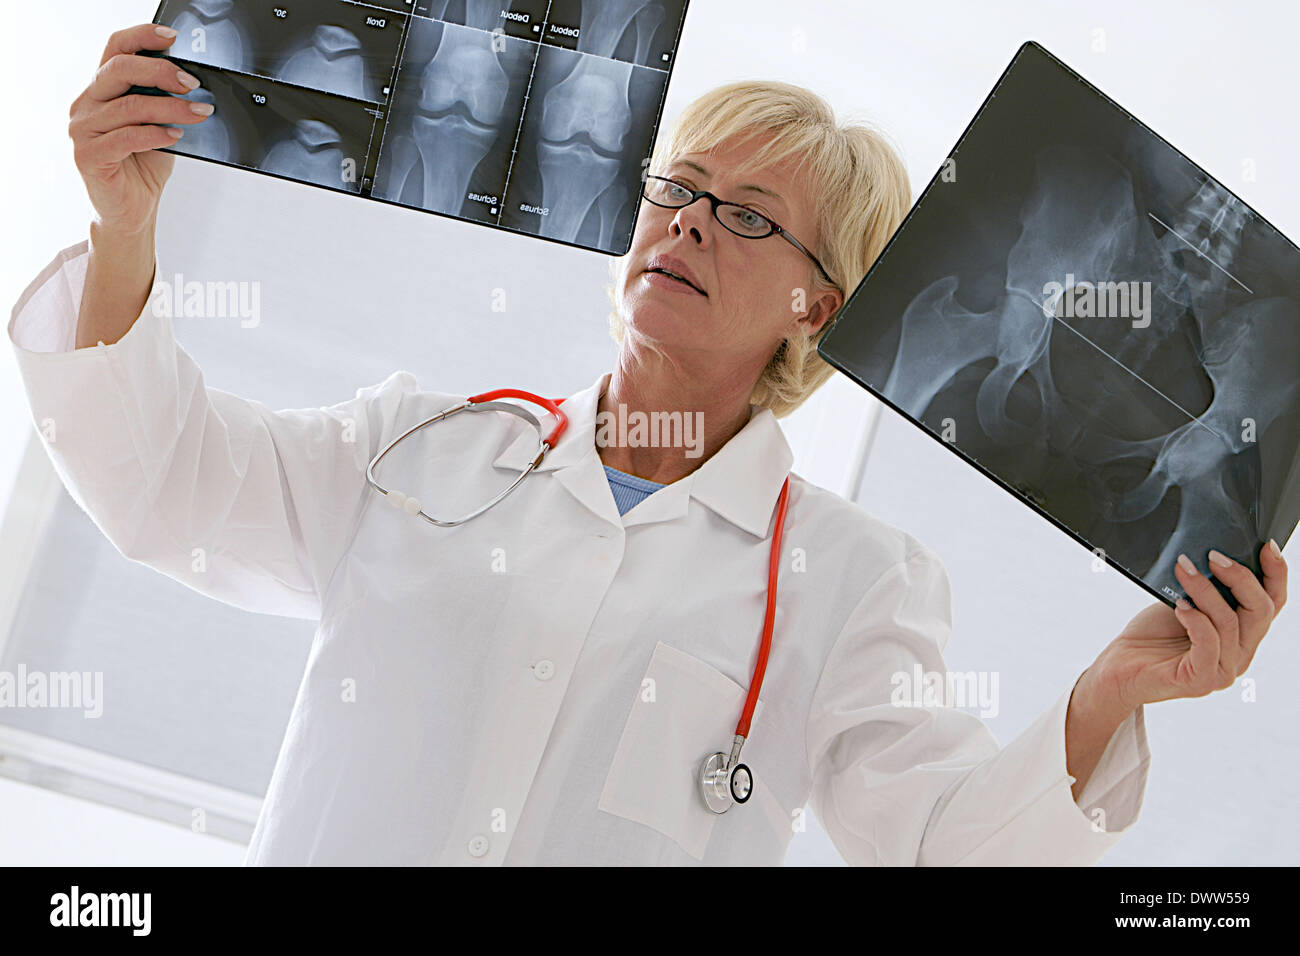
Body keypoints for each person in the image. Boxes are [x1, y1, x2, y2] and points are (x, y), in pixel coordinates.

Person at [8, 22, 1287, 866]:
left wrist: (1108, 693)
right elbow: (163, 484)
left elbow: (943, 843)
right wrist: (125, 232)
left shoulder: (851, 582)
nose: (683, 224)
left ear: (817, 303)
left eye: (743, 214)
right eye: (676, 191)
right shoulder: (414, 445)